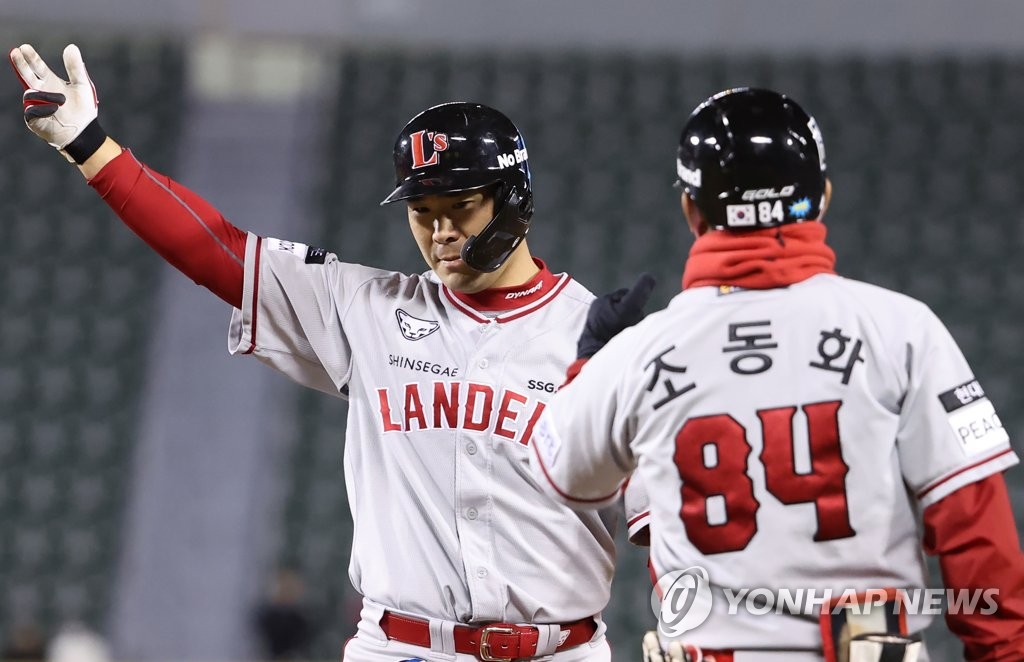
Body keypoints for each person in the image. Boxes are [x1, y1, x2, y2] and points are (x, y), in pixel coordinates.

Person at [9, 43, 626, 662]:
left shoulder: (597, 337)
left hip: (560, 650)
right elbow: (217, 251)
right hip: (402, 648)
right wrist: (90, 146)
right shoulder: (368, 309)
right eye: (422, 211)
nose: (440, 233)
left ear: (514, 197)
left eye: (461, 207)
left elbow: (671, 499)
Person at [529, 87, 1024, 662]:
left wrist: (589, 364)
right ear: (822, 198)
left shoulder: (639, 353)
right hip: (863, 650)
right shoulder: (903, 330)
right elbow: (972, 523)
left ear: (692, 211)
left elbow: (564, 476)